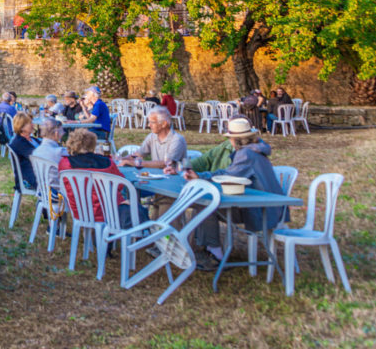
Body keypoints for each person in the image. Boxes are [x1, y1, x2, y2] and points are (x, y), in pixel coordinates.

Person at [185, 117, 284, 267]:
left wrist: (201, 176)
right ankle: (203, 248)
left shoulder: (247, 154)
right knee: (203, 205)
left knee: (205, 205)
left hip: (260, 210)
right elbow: (230, 172)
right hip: (265, 206)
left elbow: (229, 175)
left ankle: (215, 254)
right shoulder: (256, 150)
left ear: (236, 140)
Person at [58, 128, 140, 227]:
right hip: (109, 212)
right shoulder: (107, 162)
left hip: (80, 211)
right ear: (93, 144)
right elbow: (120, 185)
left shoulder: (65, 164)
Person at [121, 107, 187, 170]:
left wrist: (136, 163)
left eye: (152, 122)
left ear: (164, 124)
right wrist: (121, 159)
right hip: (156, 176)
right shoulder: (152, 136)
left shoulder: (177, 140)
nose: (149, 125)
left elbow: (166, 163)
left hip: (173, 178)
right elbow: (138, 154)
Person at [7, 112, 38, 191]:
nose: (32, 124)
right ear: (21, 126)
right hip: (30, 178)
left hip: (40, 172)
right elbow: (36, 155)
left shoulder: (33, 139)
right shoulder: (19, 142)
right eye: (29, 123)